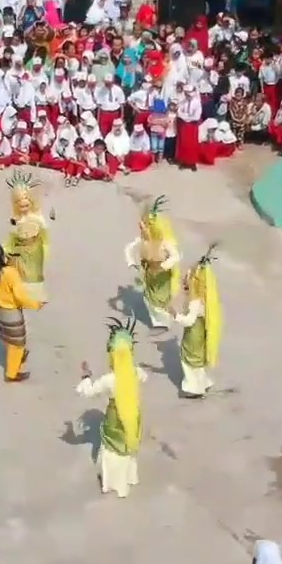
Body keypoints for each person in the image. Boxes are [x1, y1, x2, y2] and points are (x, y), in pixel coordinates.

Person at [75, 317, 147, 499]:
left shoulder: (110, 380)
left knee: (112, 450)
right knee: (127, 446)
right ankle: (130, 478)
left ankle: (116, 484)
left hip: (116, 419)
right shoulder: (135, 373)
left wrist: (85, 376)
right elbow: (144, 376)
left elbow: (89, 392)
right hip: (133, 416)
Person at [0, 239, 44, 383]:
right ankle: (12, 373)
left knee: (8, 338)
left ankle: (17, 358)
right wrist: (36, 304)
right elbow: (20, 296)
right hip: (12, 312)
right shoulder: (10, 273)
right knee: (17, 344)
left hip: (0, 310)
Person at [124, 196, 181, 329]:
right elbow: (130, 248)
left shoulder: (164, 243)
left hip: (162, 278)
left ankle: (164, 323)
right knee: (150, 300)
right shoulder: (144, 242)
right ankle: (158, 323)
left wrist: (162, 266)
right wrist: (131, 262)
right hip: (149, 275)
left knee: (160, 301)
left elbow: (175, 256)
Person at [173, 245, 222, 399]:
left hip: (193, 334)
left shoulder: (195, 302)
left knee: (189, 361)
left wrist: (175, 315)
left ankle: (194, 388)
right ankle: (204, 382)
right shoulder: (206, 300)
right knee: (198, 361)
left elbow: (188, 321)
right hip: (201, 333)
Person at [4, 170, 50, 303]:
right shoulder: (16, 219)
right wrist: (8, 249)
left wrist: (45, 246)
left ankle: (37, 296)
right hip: (20, 247)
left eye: (26, 203)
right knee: (18, 272)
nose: (23, 206)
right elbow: (12, 235)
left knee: (34, 273)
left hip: (34, 247)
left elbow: (44, 231)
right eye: (20, 204)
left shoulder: (36, 217)